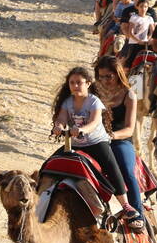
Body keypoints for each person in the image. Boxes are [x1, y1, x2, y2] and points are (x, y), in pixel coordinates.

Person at [51, 66, 144, 231]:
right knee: (52, 163)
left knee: (113, 168)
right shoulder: (67, 102)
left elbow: (94, 122)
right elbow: (62, 118)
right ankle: (42, 196)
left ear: (87, 83)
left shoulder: (94, 101)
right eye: (72, 82)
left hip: (96, 143)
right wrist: (58, 126)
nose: (75, 86)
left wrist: (82, 129)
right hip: (76, 144)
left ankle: (126, 205)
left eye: (79, 82)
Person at [94, 56, 147, 223]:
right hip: (94, 139)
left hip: (119, 140)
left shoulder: (129, 94)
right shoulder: (94, 92)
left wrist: (111, 136)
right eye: (101, 77)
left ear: (117, 74)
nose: (104, 81)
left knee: (126, 170)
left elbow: (130, 129)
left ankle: (137, 215)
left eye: (108, 76)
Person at [119, 0, 154, 67]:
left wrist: (149, 38)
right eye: (141, 6)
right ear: (137, 7)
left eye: (145, 7)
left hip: (145, 43)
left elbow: (152, 31)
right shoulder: (134, 17)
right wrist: (138, 41)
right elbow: (130, 32)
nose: (143, 9)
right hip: (134, 43)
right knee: (128, 63)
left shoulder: (150, 18)